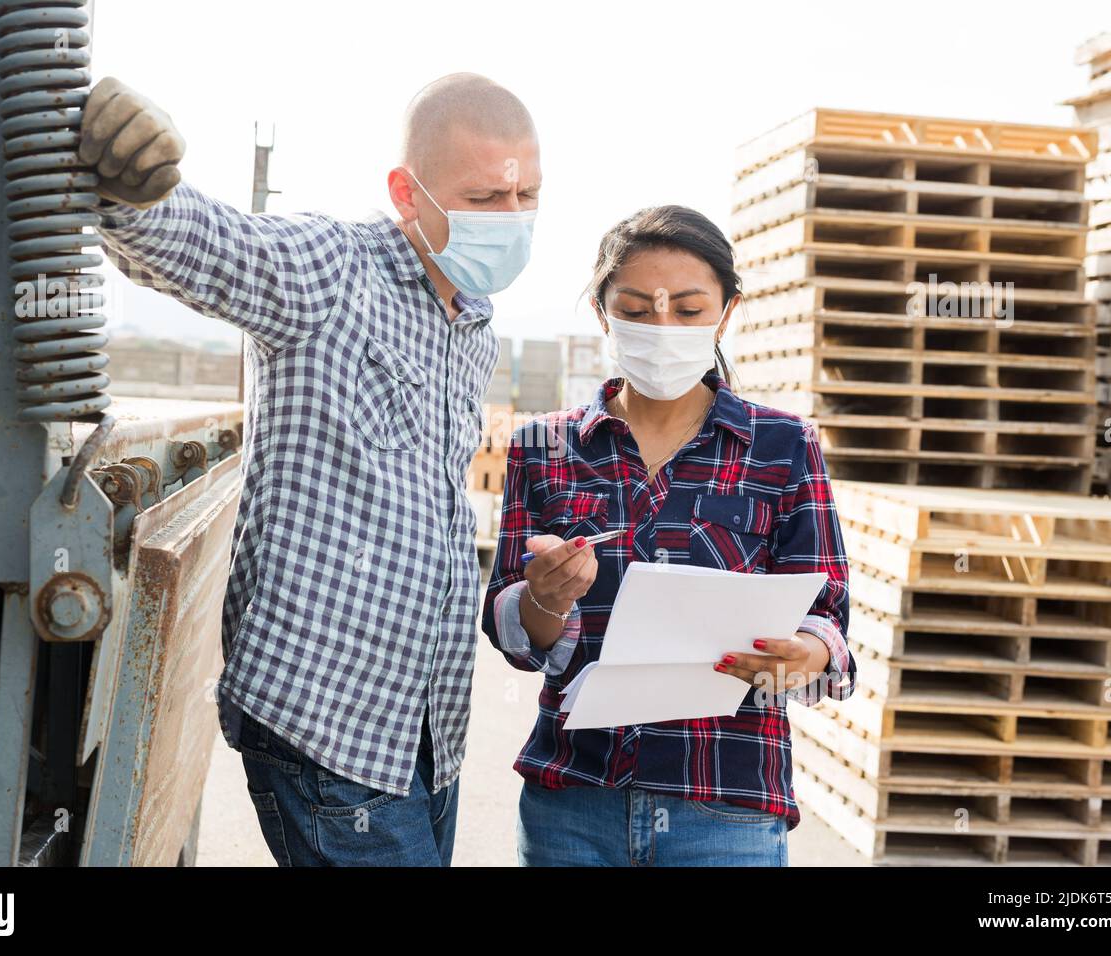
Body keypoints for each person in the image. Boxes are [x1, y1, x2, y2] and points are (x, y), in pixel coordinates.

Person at [80, 73, 541, 866]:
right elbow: (210, 244)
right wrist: (136, 189)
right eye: (485, 200)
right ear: (407, 192)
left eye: (527, 196)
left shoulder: (473, 325)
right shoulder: (333, 272)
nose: (513, 221)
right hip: (328, 719)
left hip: (426, 727)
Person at [481, 205, 855, 867]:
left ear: (726, 313)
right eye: (636, 308)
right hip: (572, 800)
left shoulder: (785, 447)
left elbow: (828, 620)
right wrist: (544, 601)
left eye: (687, 310)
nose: (662, 328)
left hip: (725, 805)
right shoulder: (542, 448)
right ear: (603, 314)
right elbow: (513, 637)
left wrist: (806, 655)